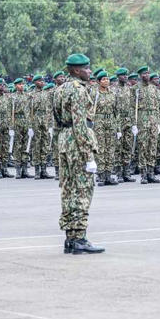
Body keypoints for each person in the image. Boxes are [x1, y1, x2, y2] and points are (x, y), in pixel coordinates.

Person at [54, 53, 104, 254]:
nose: (89, 71)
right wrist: (88, 155)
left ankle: (70, 238)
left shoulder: (59, 90)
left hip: (65, 141)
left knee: (68, 190)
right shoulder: (79, 91)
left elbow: (58, 120)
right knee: (82, 189)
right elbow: (80, 124)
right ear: (76, 70)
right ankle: (79, 237)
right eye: (86, 68)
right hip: (77, 142)